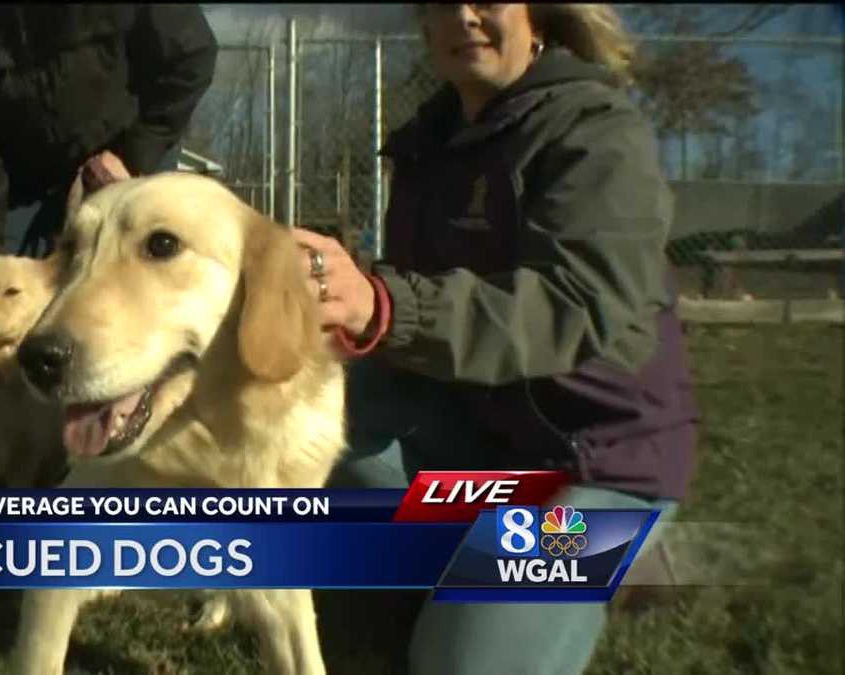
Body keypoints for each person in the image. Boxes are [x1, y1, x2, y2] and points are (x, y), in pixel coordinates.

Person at [292, 4, 699, 675]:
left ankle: (608, 557)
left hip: (601, 462)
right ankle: (459, 577)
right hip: (483, 441)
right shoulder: (428, 145)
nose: (462, 16)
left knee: (462, 665)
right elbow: (415, 305)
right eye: (440, 4)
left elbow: (579, 303)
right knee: (315, 417)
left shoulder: (598, 132)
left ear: (536, 15)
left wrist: (385, 305)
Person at [0, 5, 218, 512]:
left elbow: (191, 56)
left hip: (124, 150)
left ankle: (137, 484)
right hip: (15, 182)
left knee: (118, 325)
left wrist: (130, 154)